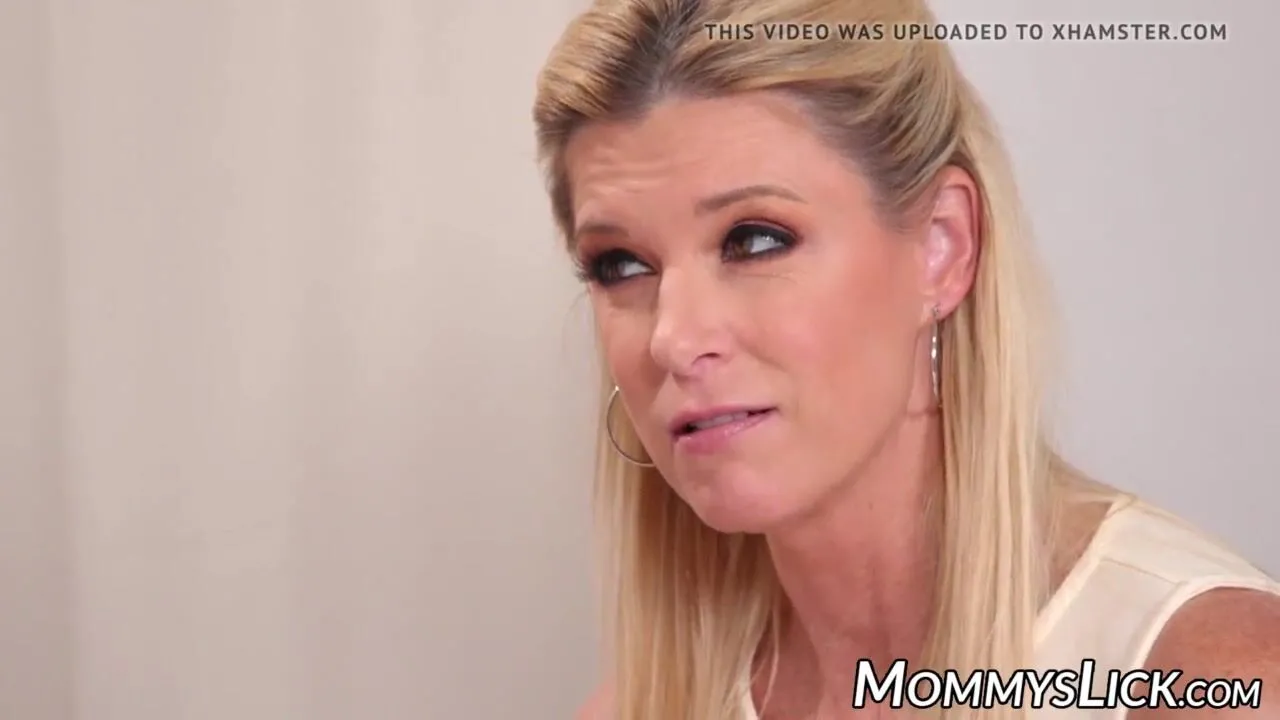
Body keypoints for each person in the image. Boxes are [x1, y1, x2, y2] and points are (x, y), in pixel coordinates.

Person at [530, 0, 1280, 718]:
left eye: (754, 240)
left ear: (941, 248)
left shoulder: (1207, 678)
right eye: (621, 264)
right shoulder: (650, 705)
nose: (673, 337)